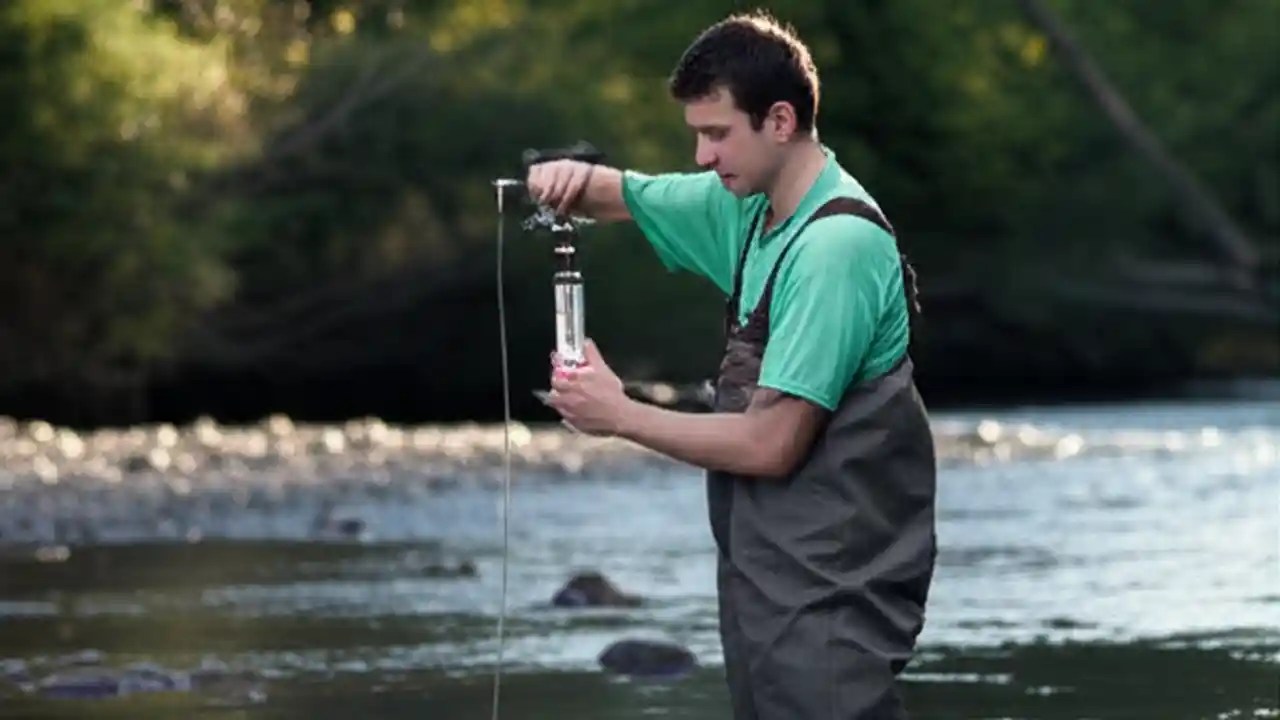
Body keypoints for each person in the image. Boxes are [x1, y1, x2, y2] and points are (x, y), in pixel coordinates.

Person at [526, 10, 937, 720]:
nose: (701, 156)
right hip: (767, 579)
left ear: (780, 121)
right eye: (696, 133)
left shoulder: (834, 247)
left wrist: (620, 414)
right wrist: (558, 178)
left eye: (716, 133)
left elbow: (772, 444)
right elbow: (620, 193)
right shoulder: (749, 209)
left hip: (835, 588)